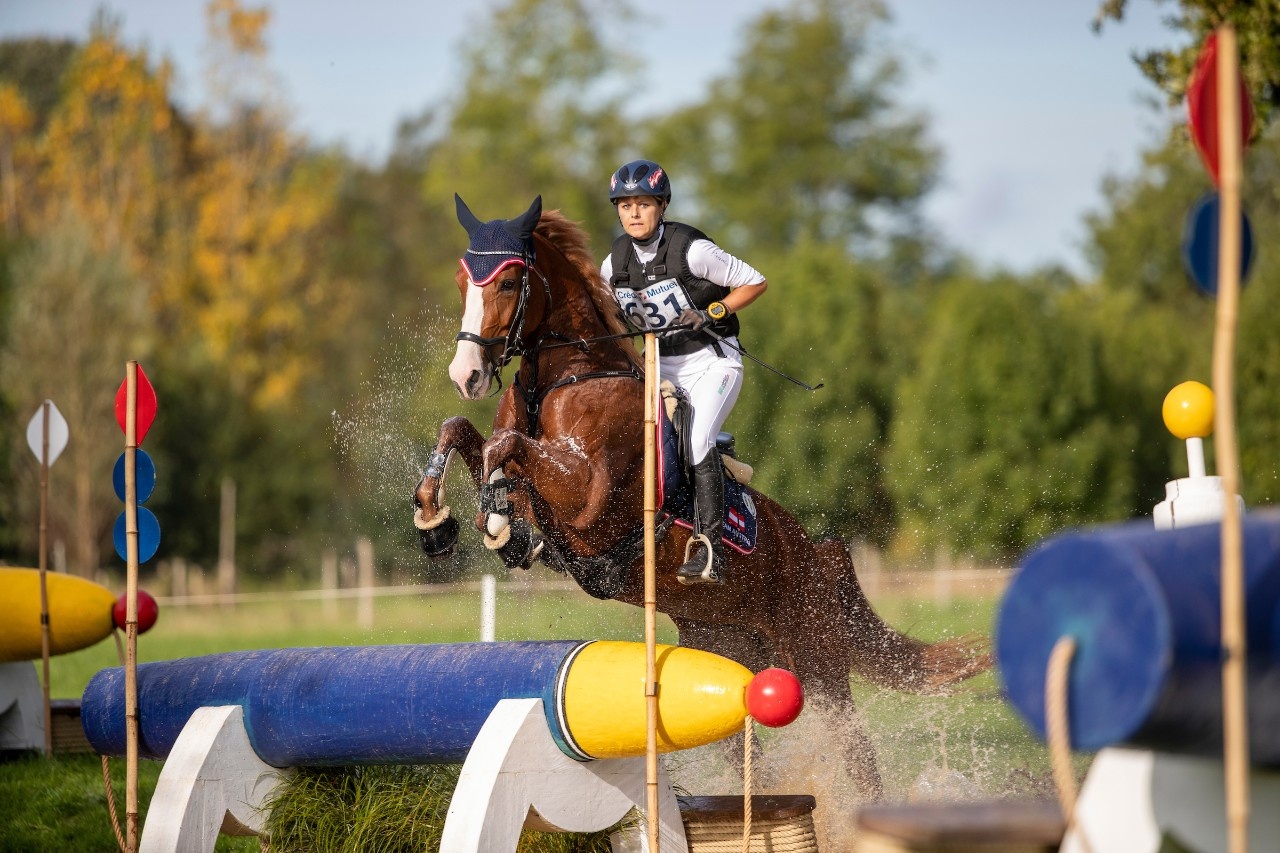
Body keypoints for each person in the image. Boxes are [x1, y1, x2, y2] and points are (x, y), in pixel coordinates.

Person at [601, 159, 768, 584]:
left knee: (695, 441)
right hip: (659, 366)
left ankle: (710, 549)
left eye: (643, 204)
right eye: (625, 205)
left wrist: (713, 309)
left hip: (713, 361)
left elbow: (754, 281)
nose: (633, 213)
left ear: (662, 205)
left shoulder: (692, 249)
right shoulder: (613, 262)